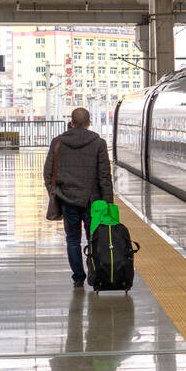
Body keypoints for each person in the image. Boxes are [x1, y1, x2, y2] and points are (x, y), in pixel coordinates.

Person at [44, 107, 114, 288]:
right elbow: (105, 176)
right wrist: (108, 204)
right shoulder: (99, 143)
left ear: (71, 122)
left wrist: (55, 193)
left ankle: (78, 277)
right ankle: (94, 273)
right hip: (93, 200)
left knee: (72, 239)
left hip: (67, 200)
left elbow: (47, 172)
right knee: (95, 238)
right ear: (89, 122)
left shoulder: (57, 142)